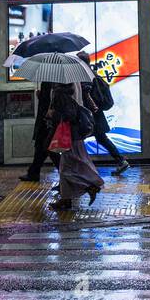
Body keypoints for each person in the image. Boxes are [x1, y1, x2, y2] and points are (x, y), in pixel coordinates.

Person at [48, 82, 104, 210]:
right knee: (70, 166)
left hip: (69, 137)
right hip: (75, 136)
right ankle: (66, 200)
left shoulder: (60, 94)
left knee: (66, 170)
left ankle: (89, 187)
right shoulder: (69, 91)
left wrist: (53, 115)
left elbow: (69, 115)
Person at [77, 53, 130, 176]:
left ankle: (82, 166)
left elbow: (86, 96)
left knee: (78, 139)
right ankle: (121, 161)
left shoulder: (85, 77)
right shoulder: (93, 74)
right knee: (101, 139)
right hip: (97, 114)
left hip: (89, 115)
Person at [20, 82, 59, 182]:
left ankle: (66, 176)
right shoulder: (49, 81)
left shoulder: (53, 82)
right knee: (41, 147)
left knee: (46, 147)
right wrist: (41, 96)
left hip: (48, 120)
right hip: (45, 120)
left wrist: (47, 104)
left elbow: (52, 99)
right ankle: (33, 172)